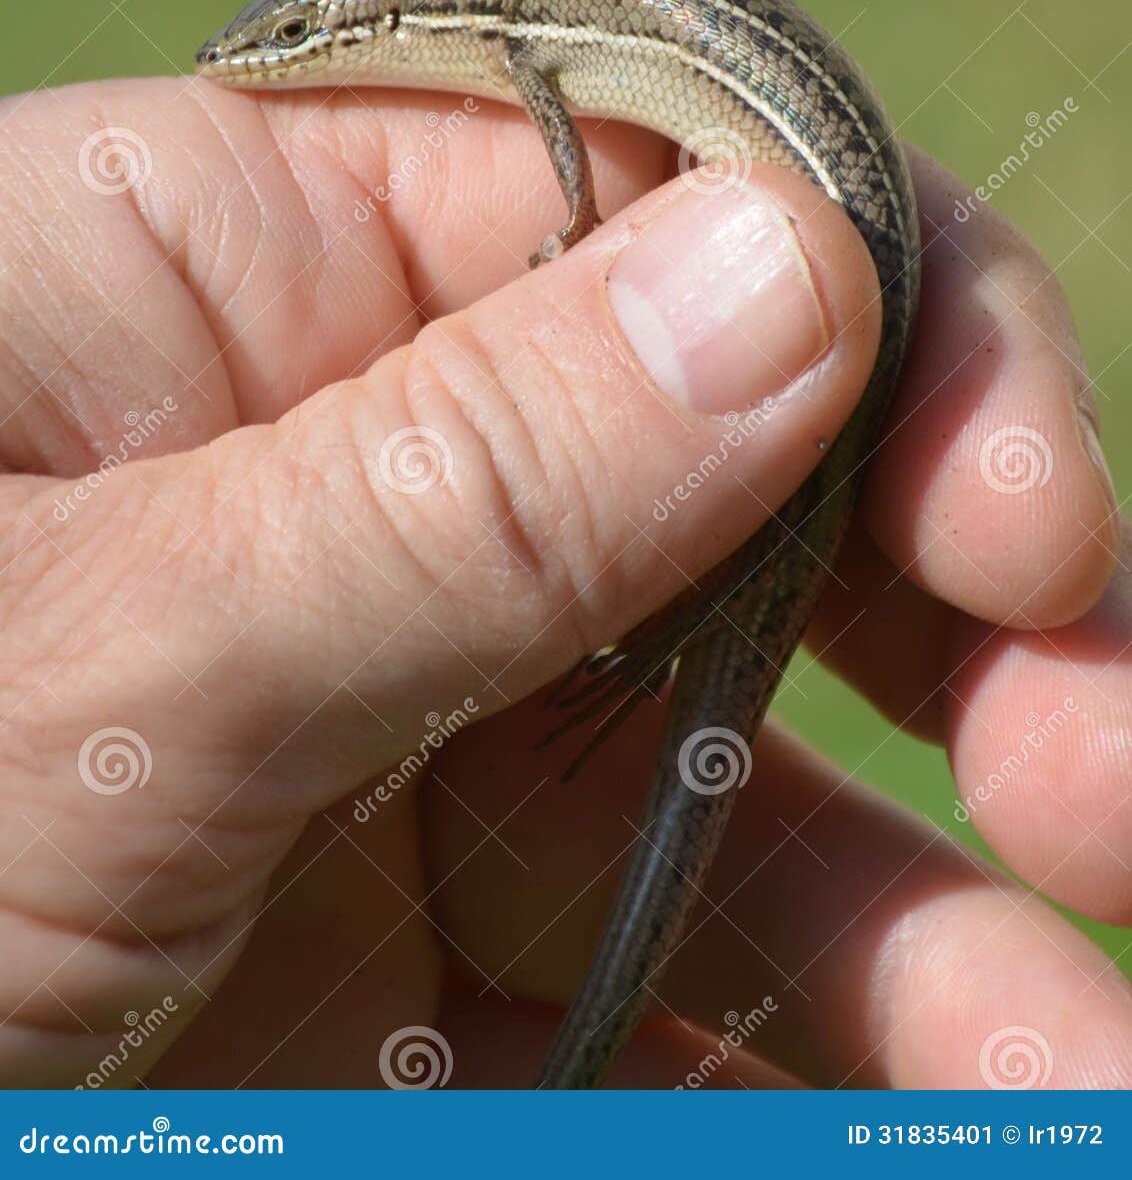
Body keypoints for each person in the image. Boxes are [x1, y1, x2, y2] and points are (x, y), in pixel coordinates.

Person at [0, 74, 1127, 1090]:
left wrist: (585, 261)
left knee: (783, 555)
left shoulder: (526, 60)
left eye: (295, 44)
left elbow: (564, 142)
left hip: (833, 248)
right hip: (833, 237)